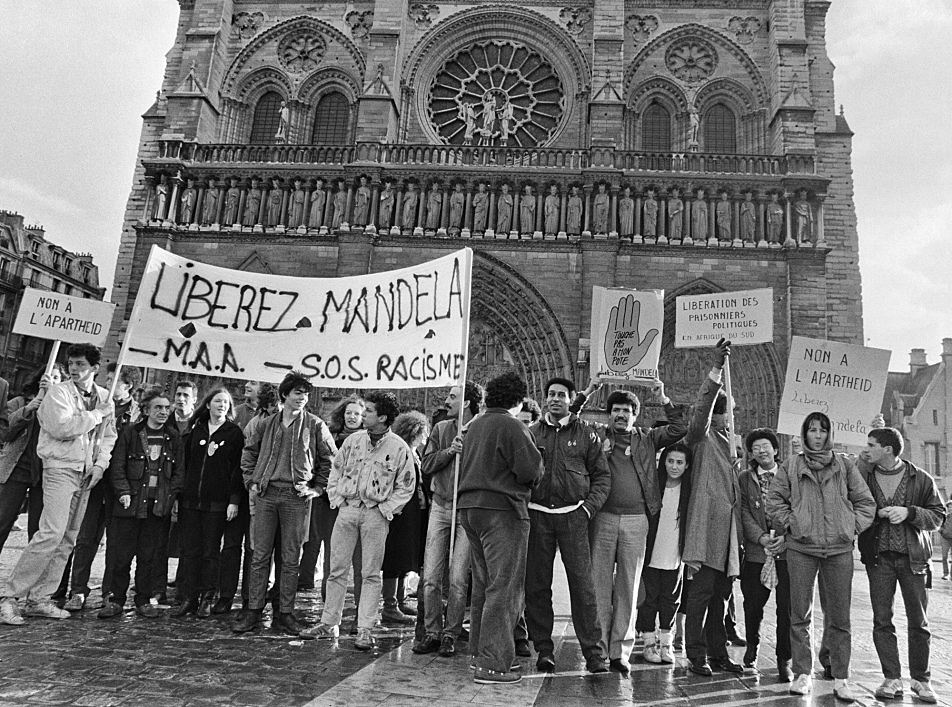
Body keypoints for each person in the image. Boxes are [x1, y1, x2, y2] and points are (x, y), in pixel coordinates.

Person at [570, 377, 687, 675]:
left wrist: (663, 398)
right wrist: (589, 391)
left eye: (626, 411)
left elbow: (679, 429)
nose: (621, 415)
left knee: (628, 587)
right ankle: (597, 649)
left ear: (635, 416)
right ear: (608, 414)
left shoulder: (647, 438)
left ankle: (619, 651)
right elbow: (571, 418)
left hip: (637, 521)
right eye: (616, 410)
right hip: (602, 519)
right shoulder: (596, 435)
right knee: (598, 586)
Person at [0, 343, 116, 626]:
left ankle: (41, 597)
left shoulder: (104, 397)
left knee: (68, 537)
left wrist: (100, 464)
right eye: (72, 364)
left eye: (81, 365)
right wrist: (95, 415)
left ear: (95, 369)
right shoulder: (58, 392)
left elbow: (109, 435)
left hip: (86, 471)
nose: (75, 370)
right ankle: (9, 597)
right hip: (60, 468)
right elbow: (61, 427)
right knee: (50, 532)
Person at [767, 411, 876, 701]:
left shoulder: (845, 465)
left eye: (822, 430)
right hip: (802, 548)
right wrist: (792, 522)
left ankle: (841, 677)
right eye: (812, 430)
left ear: (829, 434)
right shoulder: (791, 465)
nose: (817, 435)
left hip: (838, 549)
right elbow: (774, 499)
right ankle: (803, 673)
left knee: (840, 617)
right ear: (804, 434)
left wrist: (850, 527)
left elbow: (866, 502)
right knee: (799, 614)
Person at [300, 391, 414, 651]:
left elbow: (406, 485)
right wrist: (337, 498)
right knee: (336, 569)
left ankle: (365, 628)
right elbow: (336, 469)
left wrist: (386, 509)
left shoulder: (398, 447)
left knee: (370, 573)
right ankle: (329, 623)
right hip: (348, 510)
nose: (363, 415)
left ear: (383, 417)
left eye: (369, 411)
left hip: (375, 514)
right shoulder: (353, 441)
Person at [458, 372, 544, 685]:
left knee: (483, 585)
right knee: (504, 587)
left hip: (469, 509)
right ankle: (493, 664)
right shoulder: (513, 425)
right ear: (518, 399)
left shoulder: (476, 424)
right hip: (502, 512)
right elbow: (529, 471)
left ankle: (480, 655)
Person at [235, 373, 336, 635]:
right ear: (284, 395)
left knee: (291, 558)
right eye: (296, 393)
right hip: (267, 495)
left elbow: (330, 459)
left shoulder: (315, 425)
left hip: (296, 497)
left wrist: (318, 488)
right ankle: (254, 611)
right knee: (259, 556)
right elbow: (249, 452)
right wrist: (251, 482)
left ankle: (285, 613)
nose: (301, 398)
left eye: (305, 394)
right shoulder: (266, 424)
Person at [525, 377, 610, 674]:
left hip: (573, 516)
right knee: (537, 586)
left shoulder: (587, 434)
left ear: (572, 399)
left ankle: (594, 654)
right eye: (551, 394)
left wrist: (586, 510)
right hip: (537, 516)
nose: (555, 399)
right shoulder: (531, 433)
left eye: (562, 394)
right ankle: (543, 649)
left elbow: (602, 477)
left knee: (583, 587)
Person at [858, 427, 944, 704]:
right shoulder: (864, 477)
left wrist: (910, 512)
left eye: (871, 445)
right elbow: (854, 508)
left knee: (918, 621)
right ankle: (891, 678)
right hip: (878, 558)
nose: (866, 449)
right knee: (882, 620)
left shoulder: (921, 478)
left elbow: (939, 517)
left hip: (913, 559)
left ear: (888, 450)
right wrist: (874, 513)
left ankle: (921, 680)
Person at [681, 338, 745, 677]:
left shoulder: (732, 448)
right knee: (702, 593)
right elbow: (701, 410)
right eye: (730, 411)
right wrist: (717, 369)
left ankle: (719, 654)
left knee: (722, 596)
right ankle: (696, 655)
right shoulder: (703, 438)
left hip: (729, 535)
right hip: (707, 530)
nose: (734, 416)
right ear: (719, 416)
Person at [98, 388, 184, 620]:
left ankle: (143, 600)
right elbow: (117, 467)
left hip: (157, 508)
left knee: (149, 557)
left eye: (167, 408)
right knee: (121, 556)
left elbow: (178, 474)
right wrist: (123, 492)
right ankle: (115, 600)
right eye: (158, 407)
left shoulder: (173, 437)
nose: (164, 412)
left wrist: (169, 499)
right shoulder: (131, 433)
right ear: (146, 410)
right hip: (129, 505)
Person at [63, 363, 141, 611]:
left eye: (114, 380)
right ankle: (78, 590)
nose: (108, 383)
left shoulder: (137, 414)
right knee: (86, 536)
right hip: (94, 476)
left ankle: (110, 592)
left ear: (127, 386)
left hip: (121, 482)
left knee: (116, 540)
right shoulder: (98, 404)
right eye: (107, 378)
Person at [414, 382, 483, 657]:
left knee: (457, 578)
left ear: (466, 402)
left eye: (452, 397)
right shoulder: (442, 429)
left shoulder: (480, 430)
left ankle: (451, 633)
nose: (446, 401)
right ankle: (431, 631)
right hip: (441, 506)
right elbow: (427, 464)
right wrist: (448, 452)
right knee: (430, 575)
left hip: (465, 509)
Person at [172, 387, 244, 618]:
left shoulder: (233, 433)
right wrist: (178, 495)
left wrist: (234, 500)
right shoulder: (196, 430)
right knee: (190, 550)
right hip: (191, 501)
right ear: (208, 405)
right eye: (217, 401)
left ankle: (207, 596)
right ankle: (189, 597)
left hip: (217, 503)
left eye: (226, 402)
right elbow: (185, 464)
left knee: (210, 552)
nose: (221, 405)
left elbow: (237, 470)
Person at [219, 383, 278, 615]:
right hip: (245, 491)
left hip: (266, 495)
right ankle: (226, 595)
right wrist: (244, 488)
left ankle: (250, 598)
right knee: (233, 545)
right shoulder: (254, 424)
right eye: (272, 406)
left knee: (257, 550)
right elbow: (242, 460)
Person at [299, 395, 365, 601]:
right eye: (348, 413)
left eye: (357, 413)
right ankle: (329, 604)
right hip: (330, 505)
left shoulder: (370, 440)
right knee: (331, 556)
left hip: (359, 505)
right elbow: (321, 466)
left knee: (360, 559)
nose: (352, 417)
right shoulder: (331, 437)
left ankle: (359, 612)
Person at [739, 428, 791, 680]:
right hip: (756, 553)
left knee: (787, 608)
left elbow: (799, 507)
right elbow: (743, 512)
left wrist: (787, 537)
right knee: (752, 605)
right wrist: (759, 537)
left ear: (776, 449)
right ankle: (752, 644)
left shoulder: (790, 474)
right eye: (756, 447)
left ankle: (785, 658)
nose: (761, 451)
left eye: (766, 446)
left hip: (787, 551)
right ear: (750, 453)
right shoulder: (744, 478)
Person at [636, 442, 693, 666]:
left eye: (680, 462)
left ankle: (666, 643)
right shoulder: (654, 486)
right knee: (649, 598)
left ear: (687, 465)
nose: (674, 466)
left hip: (675, 552)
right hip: (652, 549)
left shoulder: (689, 490)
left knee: (671, 599)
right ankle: (649, 642)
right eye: (670, 461)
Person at [0, 366, 64, 554]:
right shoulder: (20, 402)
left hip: (45, 471)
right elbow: (5, 432)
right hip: (16, 468)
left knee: (37, 530)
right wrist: (28, 409)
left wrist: (53, 401)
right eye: (48, 376)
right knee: (2, 521)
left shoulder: (65, 404)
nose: (51, 380)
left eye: (56, 377)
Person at [381, 411, 429, 627]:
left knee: (404, 558)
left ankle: (399, 600)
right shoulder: (401, 451)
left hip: (414, 511)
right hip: (401, 512)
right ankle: (390, 606)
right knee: (394, 558)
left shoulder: (413, 452)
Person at [940, 501, 952, 580]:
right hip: (945, 538)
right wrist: (942, 531)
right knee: (944, 557)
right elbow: (938, 526)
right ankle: (946, 573)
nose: (950, 508)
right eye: (949, 507)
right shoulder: (943, 517)